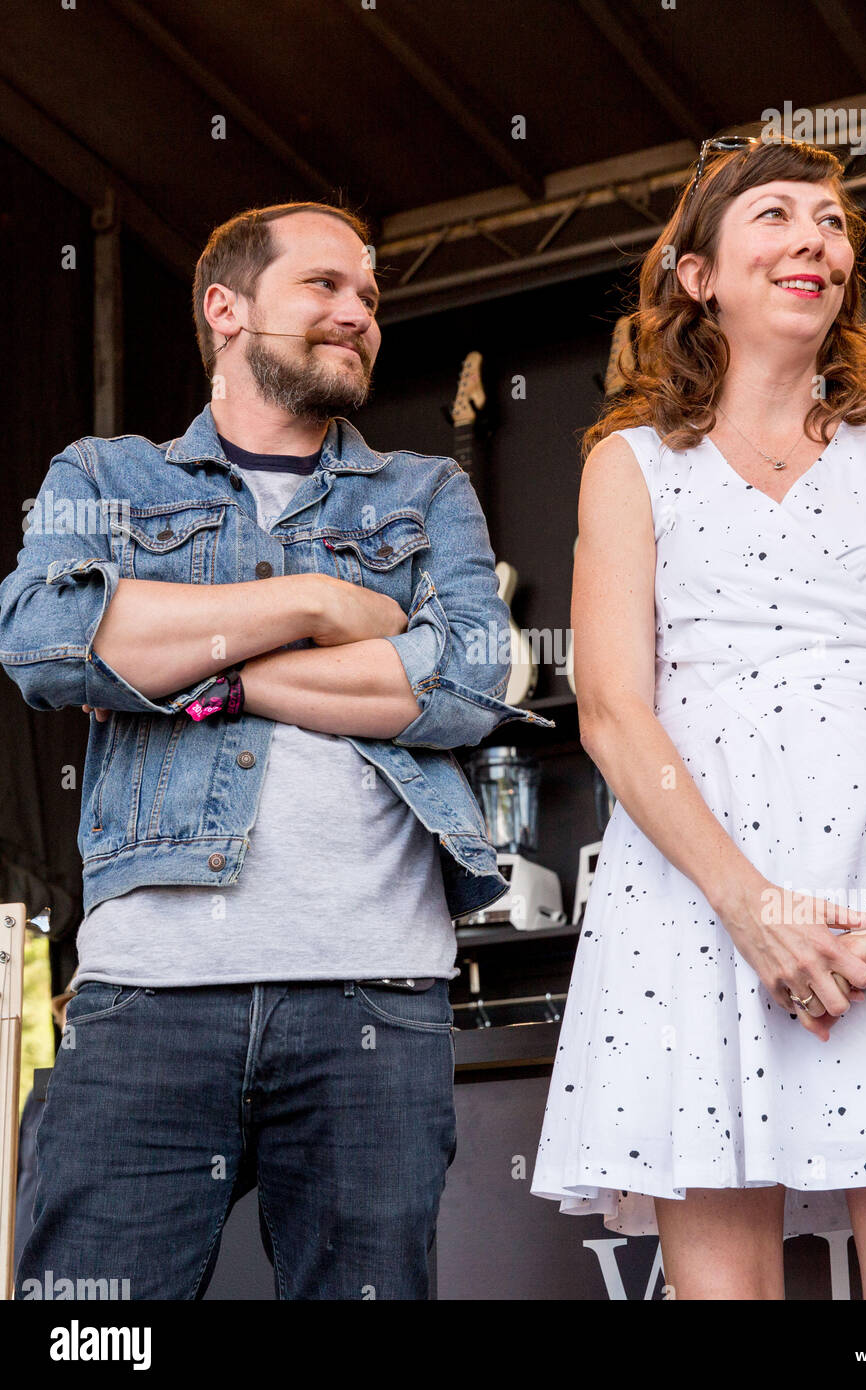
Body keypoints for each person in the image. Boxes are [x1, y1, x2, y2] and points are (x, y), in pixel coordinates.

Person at [0, 200, 551, 1300]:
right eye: (324, 287)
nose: (356, 314)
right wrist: (314, 600)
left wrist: (212, 674)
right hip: (148, 991)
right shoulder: (107, 477)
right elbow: (47, 642)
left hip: (372, 994)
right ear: (226, 308)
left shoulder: (423, 490)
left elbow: (466, 676)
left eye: (370, 298)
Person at [530, 136, 866, 1300]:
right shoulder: (628, 468)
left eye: (830, 221)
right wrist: (749, 908)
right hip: (696, 907)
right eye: (773, 214)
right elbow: (611, 709)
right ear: (696, 273)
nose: (813, 236)